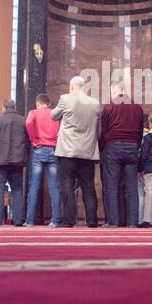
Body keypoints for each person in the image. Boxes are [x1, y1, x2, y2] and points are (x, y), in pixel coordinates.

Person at [52, 75, 101, 228]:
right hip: (87, 150)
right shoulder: (95, 103)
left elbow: (53, 115)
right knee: (88, 186)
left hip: (68, 150)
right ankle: (92, 220)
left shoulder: (65, 99)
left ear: (72, 86)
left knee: (66, 184)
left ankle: (68, 220)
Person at [99, 80, 144, 227]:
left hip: (113, 146)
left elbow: (103, 129)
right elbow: (140, 129)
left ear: (114, 91)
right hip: (132, 147)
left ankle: (113, 222)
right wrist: (136, 146)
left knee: (111, 186)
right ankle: (133, 222)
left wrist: (101, 147)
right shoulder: (137, 107)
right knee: (132, 188)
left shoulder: (109, 106)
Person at [24, 93, 61, 227]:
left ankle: (29, 221)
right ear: (49, 104)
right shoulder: (55, 114)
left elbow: (28, 123)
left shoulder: (33, 112)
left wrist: (33, 139)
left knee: (34, 186)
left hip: (38, 150)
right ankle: (55, 220)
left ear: (38, 103)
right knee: (54, 187)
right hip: (53, 150)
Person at [0, 99, 29, 226]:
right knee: (17, 190)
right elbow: (28, 141)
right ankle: (18, 220)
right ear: (15, 107)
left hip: (0, 161)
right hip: (17, 161)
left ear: (4, 107)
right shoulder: (23, 120)